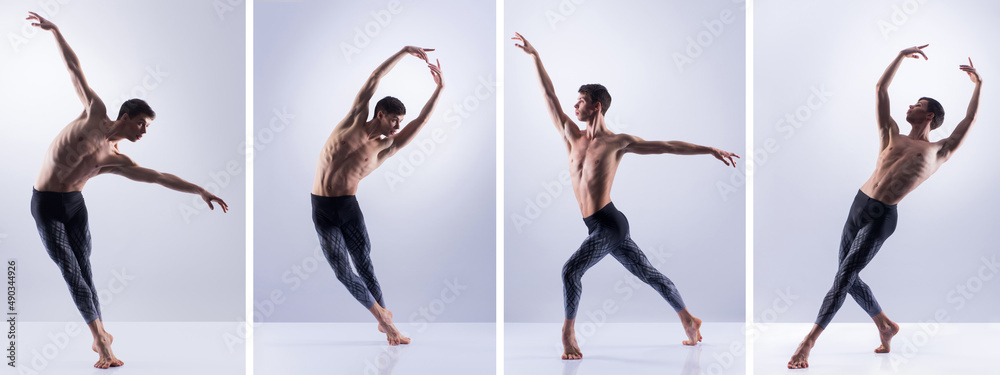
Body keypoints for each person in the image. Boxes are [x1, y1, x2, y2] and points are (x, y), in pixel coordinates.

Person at [512, 32, 740, 360]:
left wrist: (710, 150)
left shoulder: (617, 142)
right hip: (596, 226)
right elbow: (548, 95)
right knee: (648, 274)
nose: (574, 105)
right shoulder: (570, 135)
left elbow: (668, 146)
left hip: (610, 223)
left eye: (580, 100)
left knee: (570, 271)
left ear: (596, 105)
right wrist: (535, 56)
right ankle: (689, 320)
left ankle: (568, 333)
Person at [26, 12, 229, 369]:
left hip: (75, 204)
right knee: (70, 270)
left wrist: (199, 190)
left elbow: (159, 177)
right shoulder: (94, 113)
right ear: (125, 117)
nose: (143, 131)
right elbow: (74, 69)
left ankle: (99, 335)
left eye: (146, 127)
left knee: (84, 270)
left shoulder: (119, 160)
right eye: (141, 124)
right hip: (45, 203)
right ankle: (103, 343)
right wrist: (55, 30)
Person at [787, 44, 982, 369]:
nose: (910, 106)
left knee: (844, 276)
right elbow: (880, 88)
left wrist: (978, 85)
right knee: (845, 274)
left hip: (881, 217)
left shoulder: (939, 150)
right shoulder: (891, 134)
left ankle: (808, 342)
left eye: (917, 105)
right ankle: (885, 325)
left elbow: (970, 118)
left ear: (929, 116)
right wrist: (901, 56)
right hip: (858, 204)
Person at [311, 46, 444, 346]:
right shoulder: (352, 122)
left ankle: (387, 324)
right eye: (395, 119)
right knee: (342, 271)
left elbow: (421, 122)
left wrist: (439, 89)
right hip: (321, 207)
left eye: (400, 121)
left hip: (348, 208)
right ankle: (384, 317)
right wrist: (404, 51)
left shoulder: (386, 147)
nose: (398, 126)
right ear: (380, 114)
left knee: (365, 265)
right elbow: (375, 76)